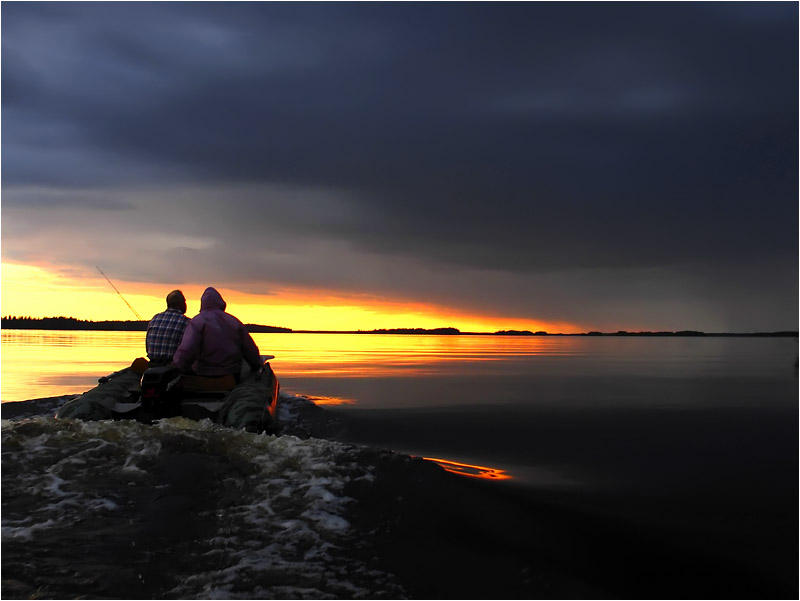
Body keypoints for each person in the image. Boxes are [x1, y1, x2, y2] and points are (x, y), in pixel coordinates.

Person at [173, 287, 262, 379]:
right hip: (231, 375)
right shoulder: (234, 321)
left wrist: (178, 366)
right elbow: (250, 349)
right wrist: (256, 365)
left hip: (203, 374)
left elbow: (187, 349)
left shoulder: (197, 321)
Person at [145, 290, 190, 364]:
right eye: (184, 302)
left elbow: (147, 348)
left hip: (152, 365)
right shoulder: (186, 322)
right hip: (172, 367)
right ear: (181, 303)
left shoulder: (155, 318)